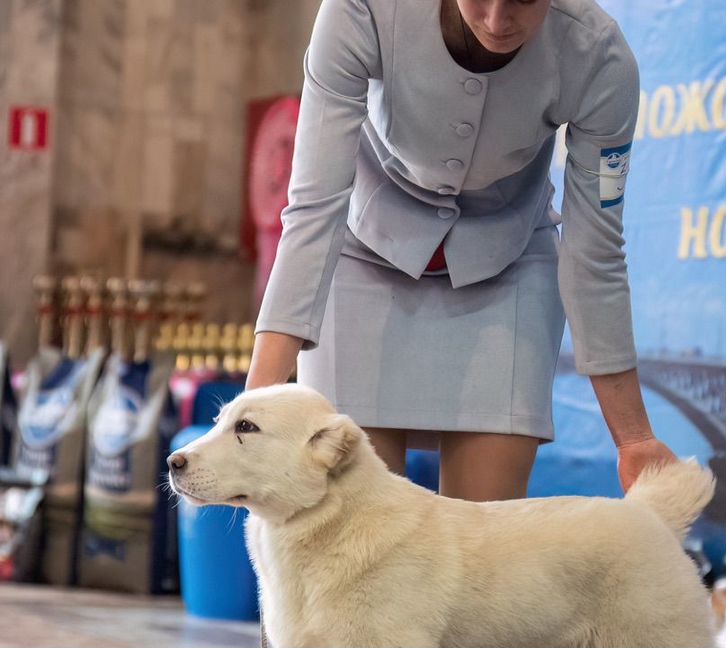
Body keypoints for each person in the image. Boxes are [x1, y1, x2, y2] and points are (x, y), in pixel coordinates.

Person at [247, 0, 678, 502]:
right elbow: (313, 210)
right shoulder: (359, 9)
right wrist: (255, 409)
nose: (498, 21)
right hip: (362, 254)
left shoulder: (601, 58)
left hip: (508, 265)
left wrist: (635, 439)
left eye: (524, 0)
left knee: (486, 558)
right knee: (351, 539)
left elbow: (595, 251)